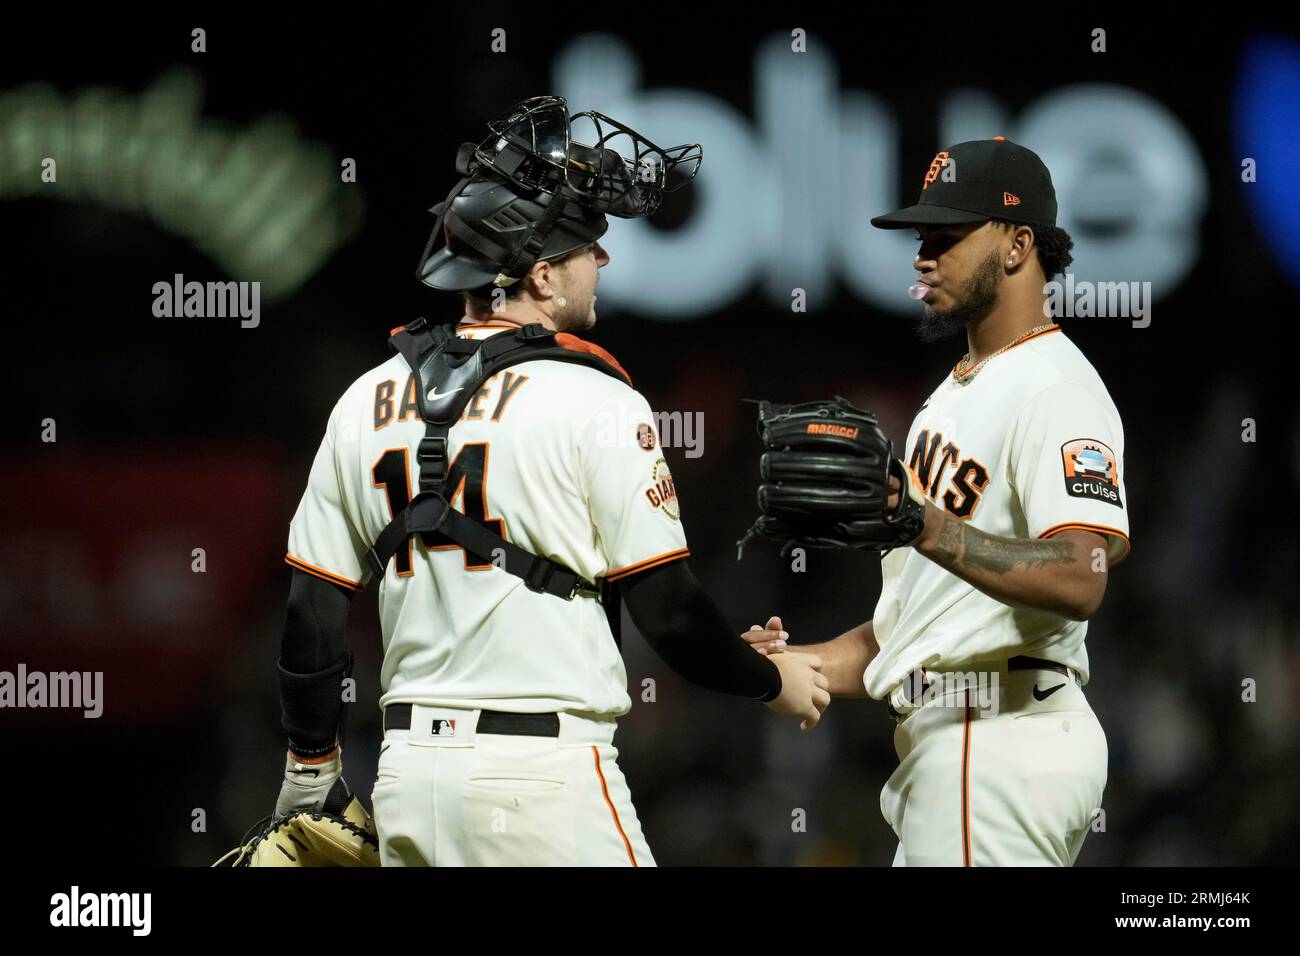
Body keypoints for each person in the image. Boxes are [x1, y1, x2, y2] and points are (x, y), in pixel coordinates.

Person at [273, 96, 829, 867]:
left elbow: (311, 614)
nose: (600, 262)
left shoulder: (364, 399)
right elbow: (667, 614)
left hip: (407, 779)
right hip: (541, 781)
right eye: (585, 248)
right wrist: (771, 680)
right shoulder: (595, 399)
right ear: (538, 273)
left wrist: (310, 769)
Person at [746, 138, 1130, 867]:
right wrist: (796, 665)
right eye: (922, 238)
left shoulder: (1055, 386)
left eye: (948, 237)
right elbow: (913, 631)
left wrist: (923, 522)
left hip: (994, 735)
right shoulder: (949, 398)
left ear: (1019, 245)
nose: (924, 255)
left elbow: (1083, 574)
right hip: (961, 740)